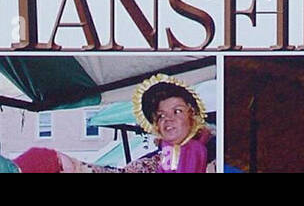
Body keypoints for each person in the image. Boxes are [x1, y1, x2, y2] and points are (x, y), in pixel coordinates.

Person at [16, 74, 214, 173]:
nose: (168, 119)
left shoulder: (202, 152)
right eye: (161, 116)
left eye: (177, 111)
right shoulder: (161, 155)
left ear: (193, 114)